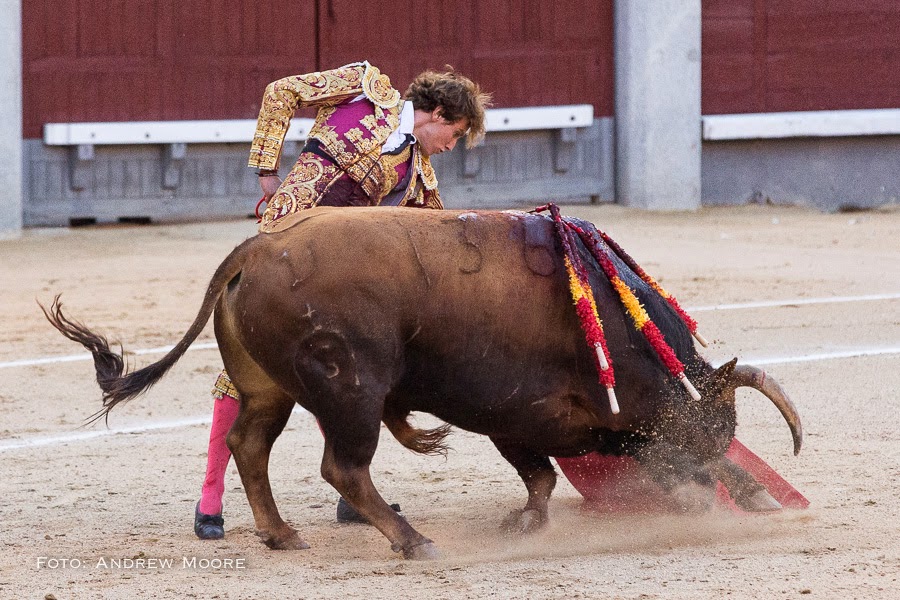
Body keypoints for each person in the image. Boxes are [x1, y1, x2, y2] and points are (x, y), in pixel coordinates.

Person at [194, 60, 491, 539]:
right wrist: (268, 172)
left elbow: (433, 248)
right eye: (453, 134)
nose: (450, 147)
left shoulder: (420, 179)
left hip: (333, 283)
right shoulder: (364, 89)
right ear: (435, 112)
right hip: (280, 253)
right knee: (243, 374)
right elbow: (281, 92)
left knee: (334, 373)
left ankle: (349, 492)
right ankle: (210, 497)